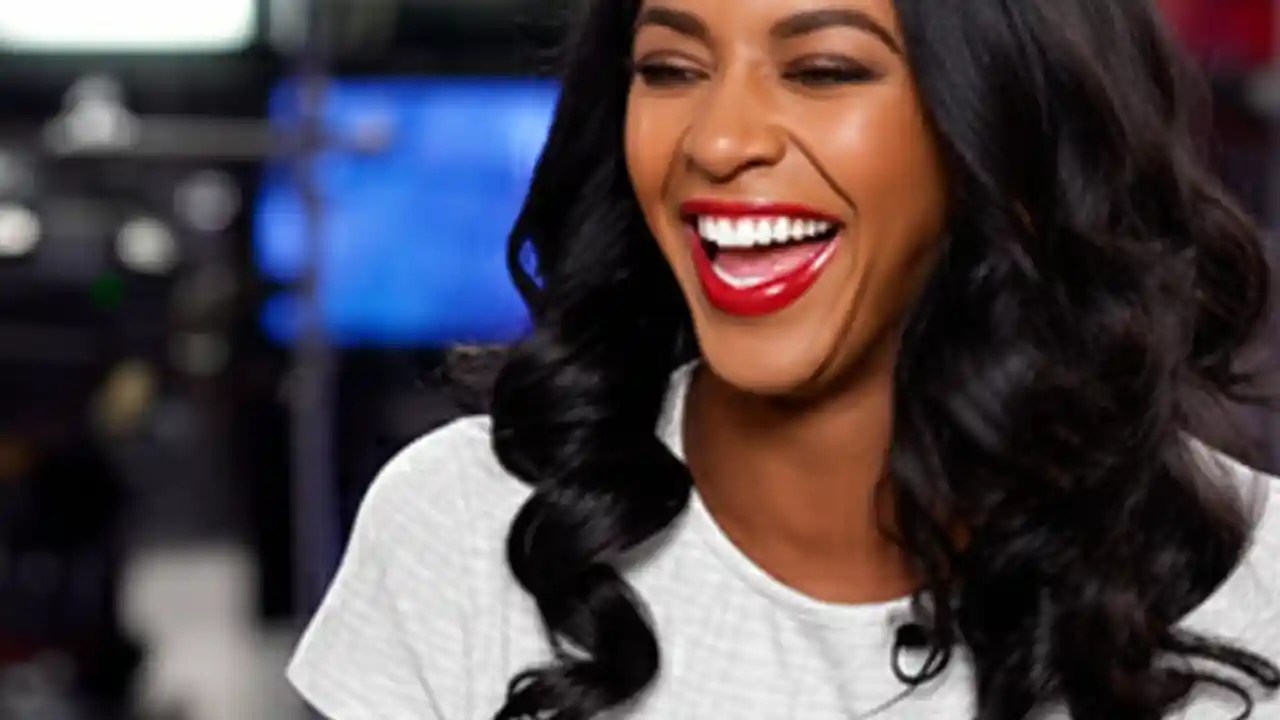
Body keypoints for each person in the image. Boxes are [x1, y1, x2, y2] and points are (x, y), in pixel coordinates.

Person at [287, 0, 1280, 717]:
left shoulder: (1258, 581)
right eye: (670, 69)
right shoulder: (462, 526)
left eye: (823, 70)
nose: (716, 141)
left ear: (1006, 121)